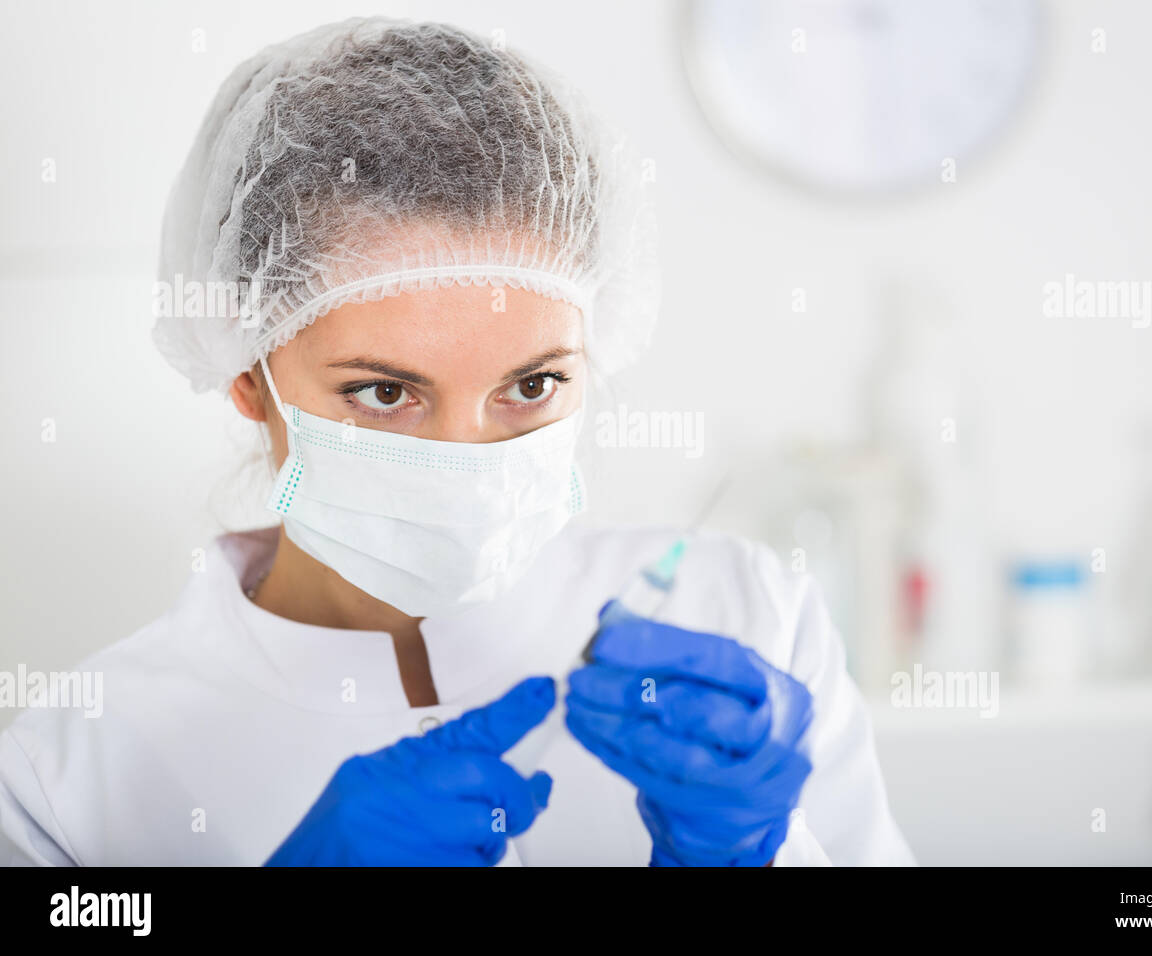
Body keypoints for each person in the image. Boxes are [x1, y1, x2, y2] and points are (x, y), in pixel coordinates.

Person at [0, 16, 914, 866]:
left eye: (531, 384)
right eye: (386, 391)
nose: (469, 458)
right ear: (248, 373)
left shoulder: (742, 629)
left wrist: (760, 849)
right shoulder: (75, 763)